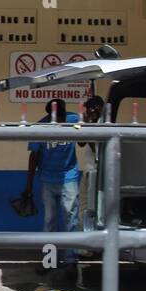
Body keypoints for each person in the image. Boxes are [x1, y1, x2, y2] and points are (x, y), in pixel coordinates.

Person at [24, 97, 81, 276]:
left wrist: (86, 123)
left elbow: (83, 142)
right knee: (49, 221)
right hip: (48, 179)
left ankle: (71, 260)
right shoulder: (40, 127)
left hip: (69, 176)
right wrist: (29, 184)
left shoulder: (73, 120)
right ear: (50, 115)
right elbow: (33, 157)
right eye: (57, 115)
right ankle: (49, 260)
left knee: (71, 219)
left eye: (63, 114)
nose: (61, 118)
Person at [77, 95, 106, 233]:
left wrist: (89, 126)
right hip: (87, 170)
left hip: (97, 172)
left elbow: (98, 151)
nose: (87, 112)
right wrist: (86, 124)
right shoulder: (91, 123)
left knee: (93, 207)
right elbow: (81, 143)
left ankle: (91, 241)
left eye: (89, 109)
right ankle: (83, 243)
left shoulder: (104, 124)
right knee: (83, 206)